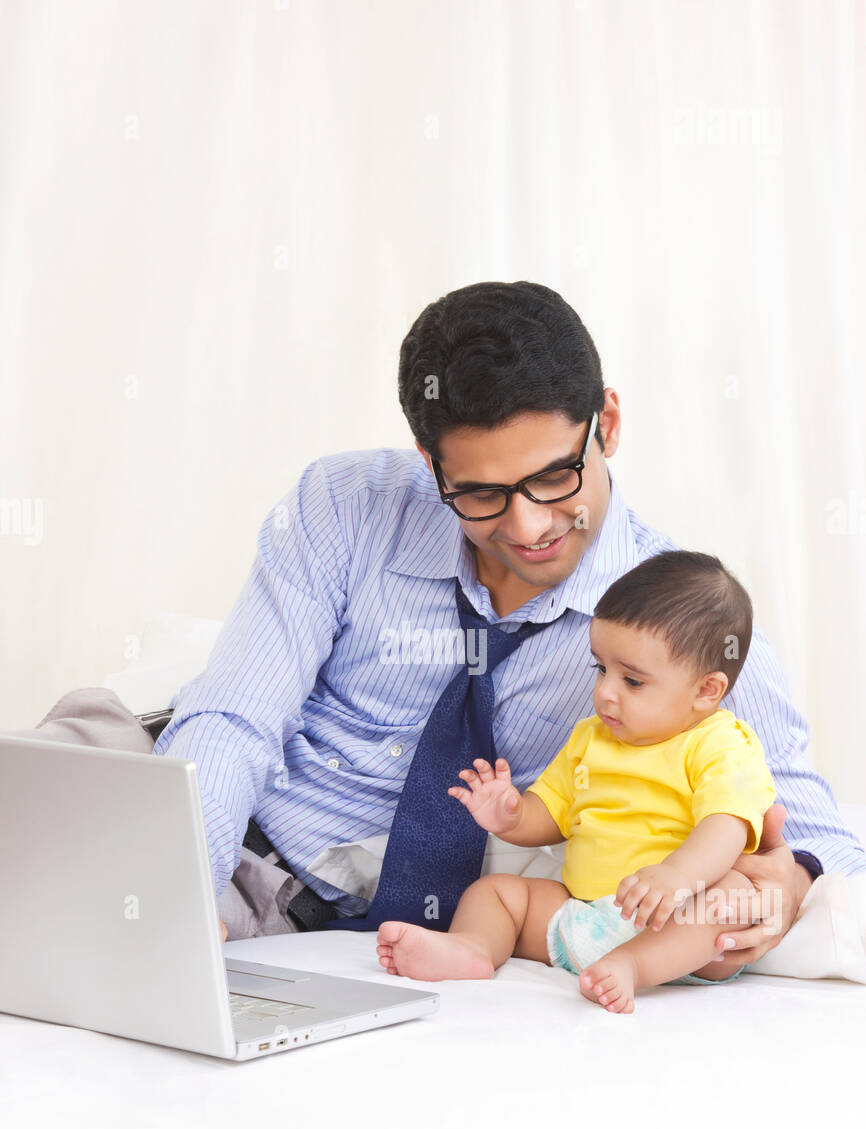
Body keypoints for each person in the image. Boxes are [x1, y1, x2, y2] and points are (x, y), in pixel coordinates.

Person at [152, 281, 866, 966]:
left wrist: (789, 882)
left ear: (606, 426)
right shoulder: (344, 506)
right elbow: (233, 720)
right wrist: (174, 893)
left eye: (555, 477)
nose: (528, 527)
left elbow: (824, 846)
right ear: (433, 466)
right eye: (481, 493)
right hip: (244, 861)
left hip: (442, 923)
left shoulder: (684, 622)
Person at [375, 550, 780, 1011]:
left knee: (734, 897)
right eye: (601, 668)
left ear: (706, 691)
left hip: (677, 926)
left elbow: (726, 825)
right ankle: (474, 948)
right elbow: (550, 814)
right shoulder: (590, 739)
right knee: (497, 892)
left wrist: (677, 877)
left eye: (633, 681)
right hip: (581, 918)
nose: (605, 692)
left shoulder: (721, 744)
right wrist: (510, 815)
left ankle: (634, 966)